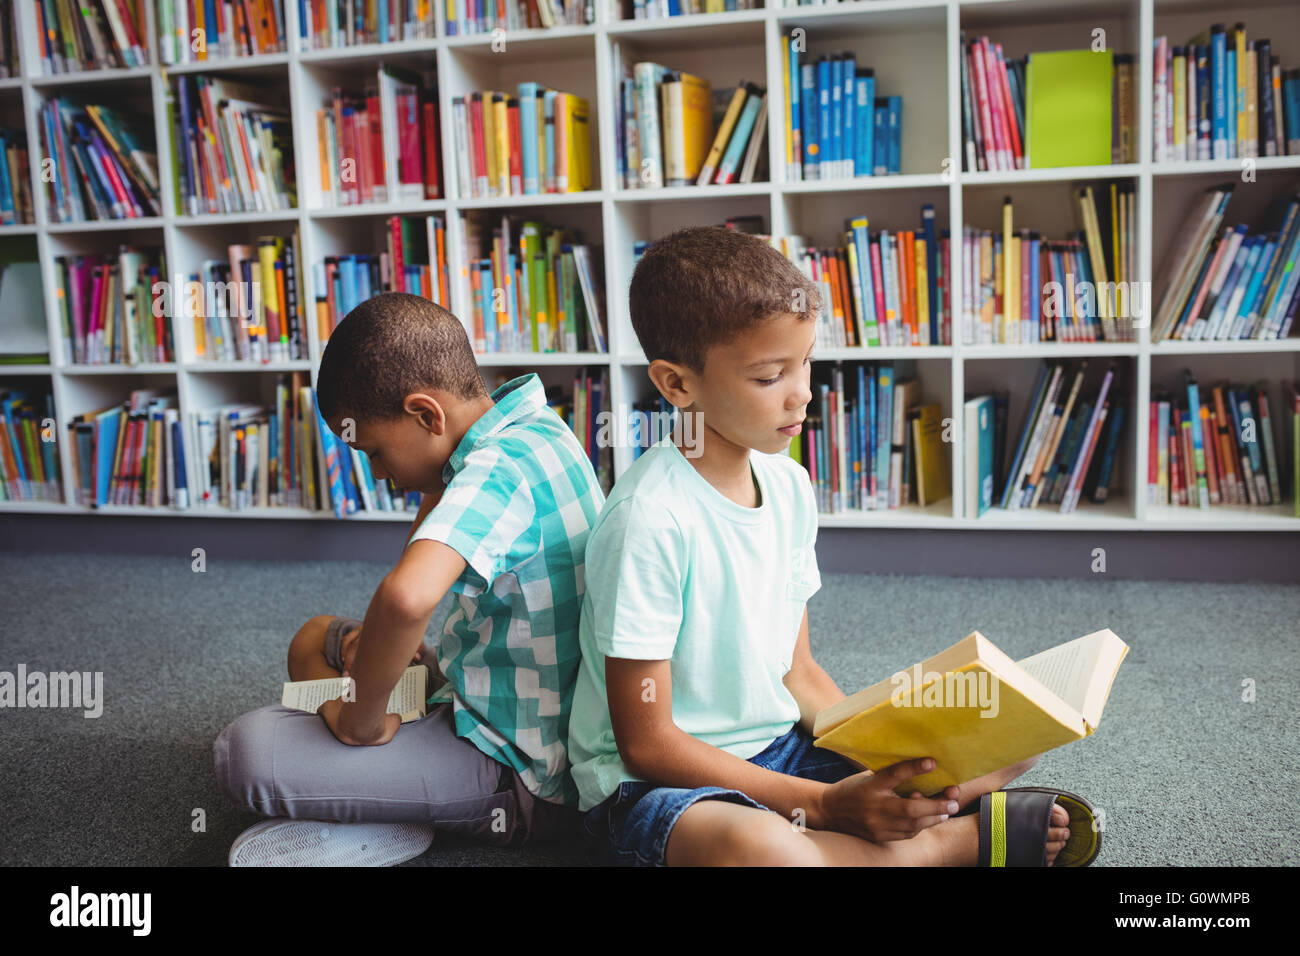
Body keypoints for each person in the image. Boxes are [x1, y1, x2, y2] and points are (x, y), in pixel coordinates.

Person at [566, 227, 1092, 867]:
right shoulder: (648, 519)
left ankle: (885, 827)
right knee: (762, 850)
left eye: (806, 362)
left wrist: (881, 751)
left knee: (1007, 740)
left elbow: (799, 672)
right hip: (659, 786)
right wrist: (827, 804)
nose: (803, 393)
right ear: (677, 385)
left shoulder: (787, 483)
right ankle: (946, 844)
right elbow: (647, 744)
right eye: (769, 377)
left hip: (776, 747)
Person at [213, 292, 605, 865]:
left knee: (242, 754)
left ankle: (383, 796)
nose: (380, 473)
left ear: (426, 414)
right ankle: (380, 787)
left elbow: (407, 594)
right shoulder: (532, 427)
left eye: (374, 451)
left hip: (521, 772)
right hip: (482, 685)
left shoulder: (495, 474)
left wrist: (359, 724)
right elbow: (422, 554)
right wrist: (378, 652)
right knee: (315, 637)